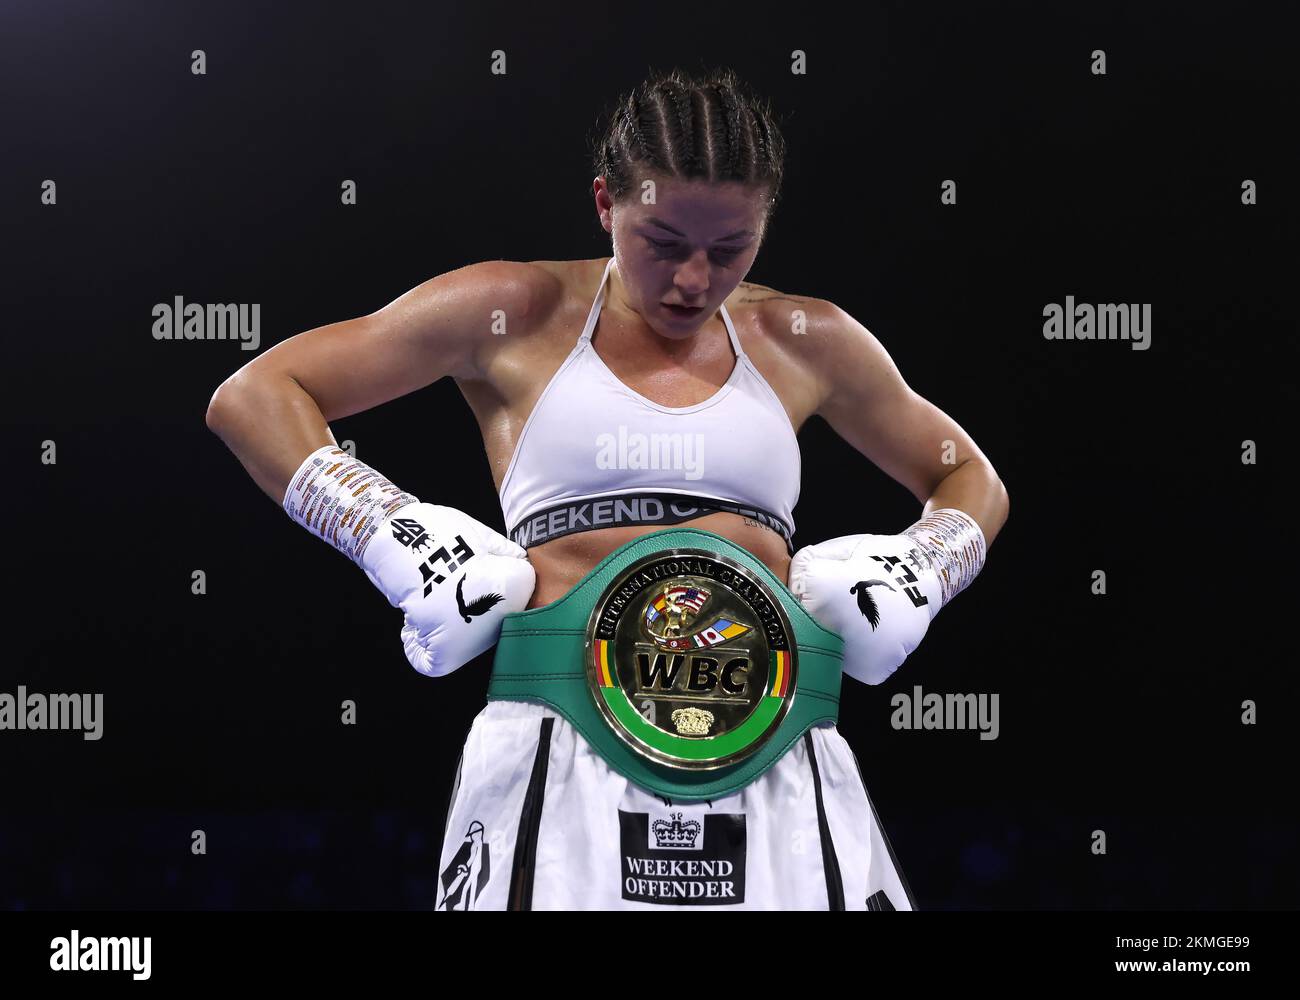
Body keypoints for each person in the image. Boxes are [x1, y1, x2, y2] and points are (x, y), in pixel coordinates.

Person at [205, 66, 1009, 910]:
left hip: (782, 750)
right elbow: (256, 395)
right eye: (662, 242)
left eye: (729, 248)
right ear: (604, 203)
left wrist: (924, 564)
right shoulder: (515, 309)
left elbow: (969, 475)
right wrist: (390, 530)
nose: (694, 280)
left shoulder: (807, 339)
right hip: (560, 741)